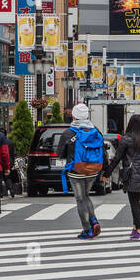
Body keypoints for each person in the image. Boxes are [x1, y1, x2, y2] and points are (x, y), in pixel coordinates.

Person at [107, 114, 140, 240]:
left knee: (134, 202)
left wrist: (107, 173)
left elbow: (117, 158)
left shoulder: (126, 139)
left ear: (130, 124)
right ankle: (135, 228)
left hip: (132, 175)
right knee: (136, 201)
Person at [58, 102, 106, 239]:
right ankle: (94, 220)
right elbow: (102, 151)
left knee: (80, 199)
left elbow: (60, 152)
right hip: (93, 169)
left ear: (74, 115)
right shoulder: (95, 130)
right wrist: (105, 171)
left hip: (76, 169)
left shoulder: (69, 132)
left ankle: (87, 228)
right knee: (86, 196)